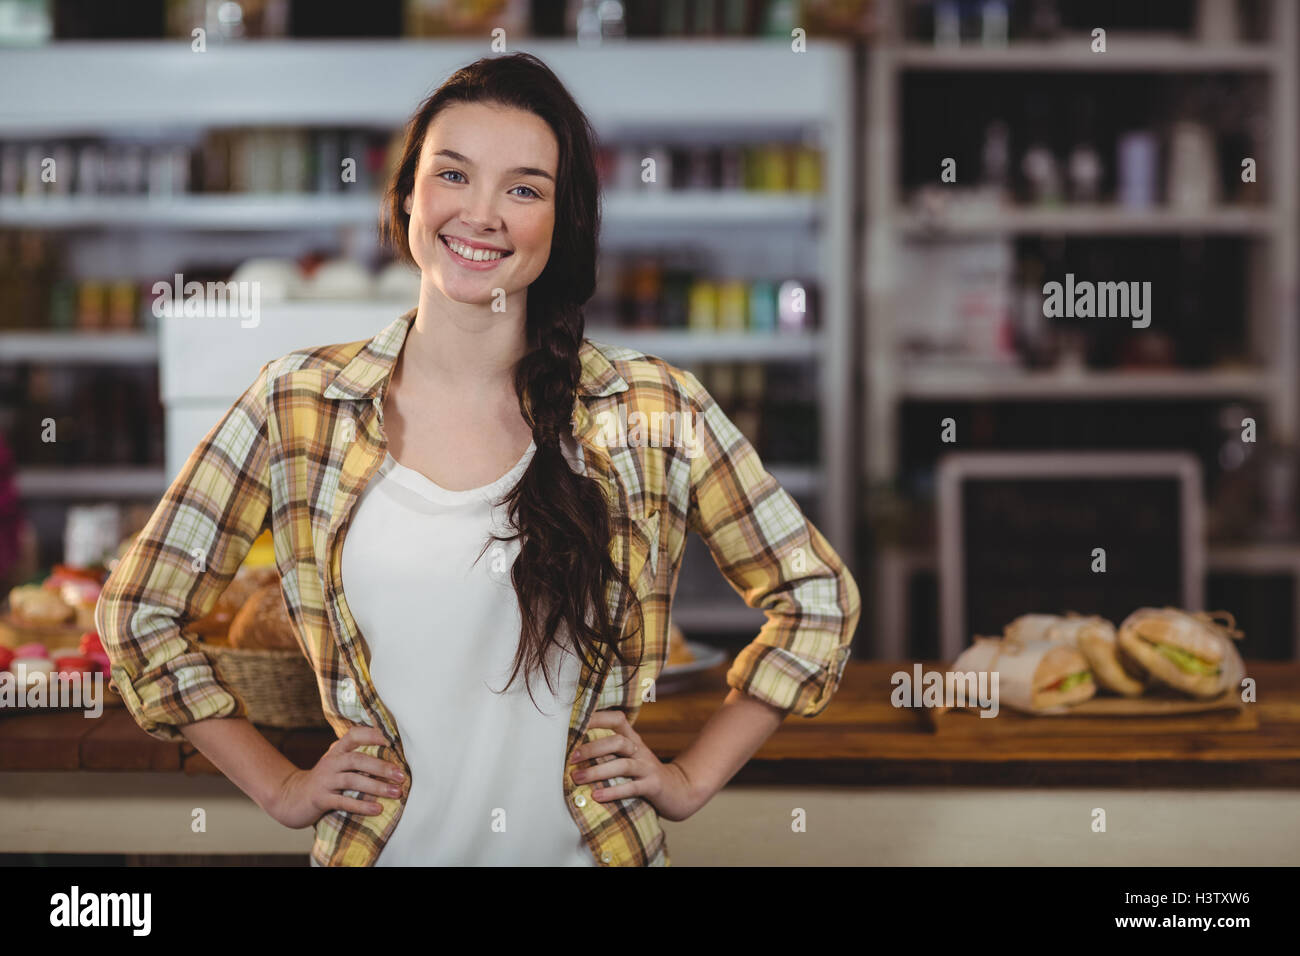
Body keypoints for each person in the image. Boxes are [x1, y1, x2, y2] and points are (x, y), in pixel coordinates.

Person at [96, 52, 860, 867]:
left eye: (524, 189)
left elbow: (816, 600)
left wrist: (690, 780)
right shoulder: (297, 403)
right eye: (453, 175)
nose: (482, 214)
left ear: (562, 223)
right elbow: (140, 611)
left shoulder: (652, 408)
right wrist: (281, 789)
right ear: (408, 197)